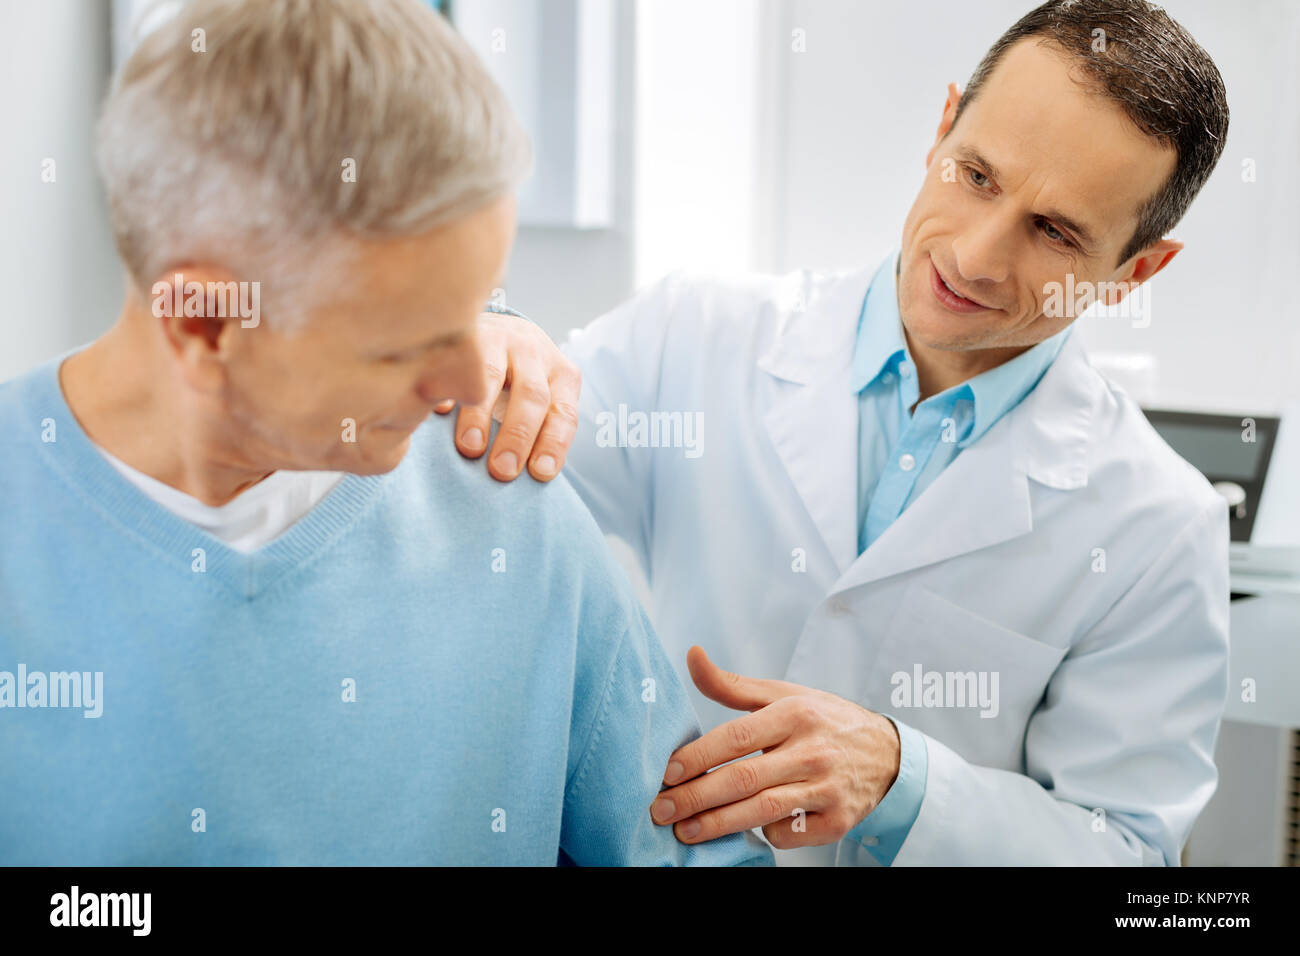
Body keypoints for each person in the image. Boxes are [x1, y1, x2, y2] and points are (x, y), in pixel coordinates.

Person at [446, 0, 1232, 866]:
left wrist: (906, 782)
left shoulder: (1160, 527)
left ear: (1136, 271)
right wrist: (490, 331)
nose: (974, 256)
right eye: (976, 175)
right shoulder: (699, 332)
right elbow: (496, 466)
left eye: (1054, 231)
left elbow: (1129, 856)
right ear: (941, 132)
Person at [0, 0, 770, 867]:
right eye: (409, 344)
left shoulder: (505, 511)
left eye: (480, 315)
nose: (480, 381)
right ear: (206, 322)